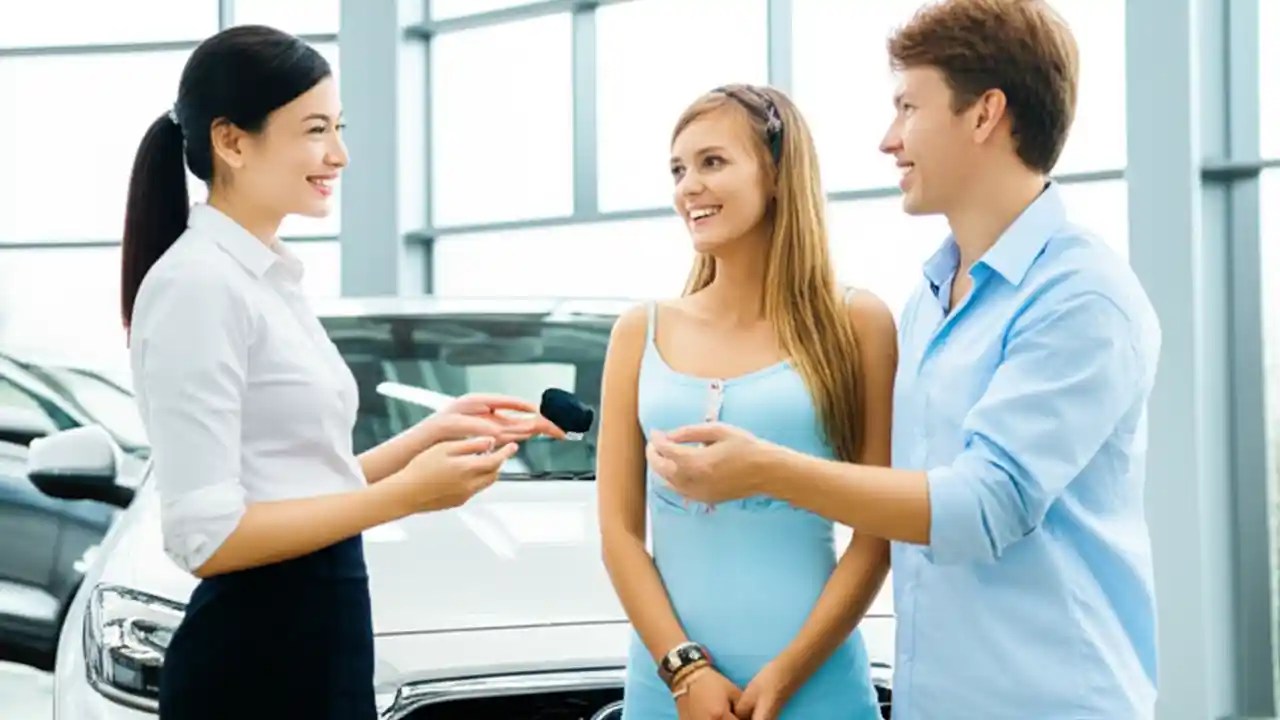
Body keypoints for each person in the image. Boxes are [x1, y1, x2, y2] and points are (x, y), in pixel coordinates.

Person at [646, 2, 1163, 718]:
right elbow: (894, 494)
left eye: (908, 108)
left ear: (985, 115)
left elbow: (984, 504)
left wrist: (765, 470)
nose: (889, 140)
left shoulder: (1082, 297)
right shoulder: (929, 298)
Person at [121, 25, 563, 719]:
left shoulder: (267, 279)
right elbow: (205, 537)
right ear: (232, 141)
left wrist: (430, 434)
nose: (340, 154)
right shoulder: (198, 286)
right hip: (258, 658)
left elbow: (298, 481)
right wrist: (408, 496)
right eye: (315, 130)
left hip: (317, 636)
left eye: (339, 127)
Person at [597, 83, 896, 720]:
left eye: (712, 162)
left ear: (779, 173)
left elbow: (875, 538)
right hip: (668, 691)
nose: (688, 188)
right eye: (678, 169)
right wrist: (684, 671)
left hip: (819, 687)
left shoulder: (859, 323)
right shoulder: (638, 333)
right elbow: (620, 534)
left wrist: (784, 678)